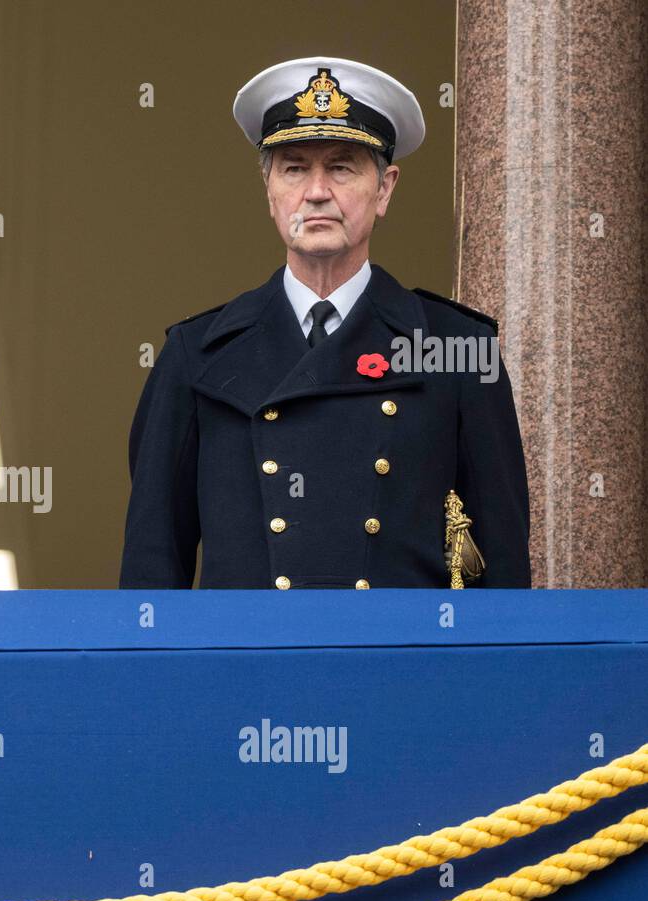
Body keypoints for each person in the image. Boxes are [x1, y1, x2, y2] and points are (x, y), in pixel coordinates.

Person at [119, 57, 530, 590]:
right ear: (269, 190)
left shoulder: (455, 348)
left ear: (384, 189)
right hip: (248, 665)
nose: (316, 191)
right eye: (294, 168)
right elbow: (153, 566)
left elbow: (501, 565)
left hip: (399, 666)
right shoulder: (195, 354)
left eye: (341, 167)